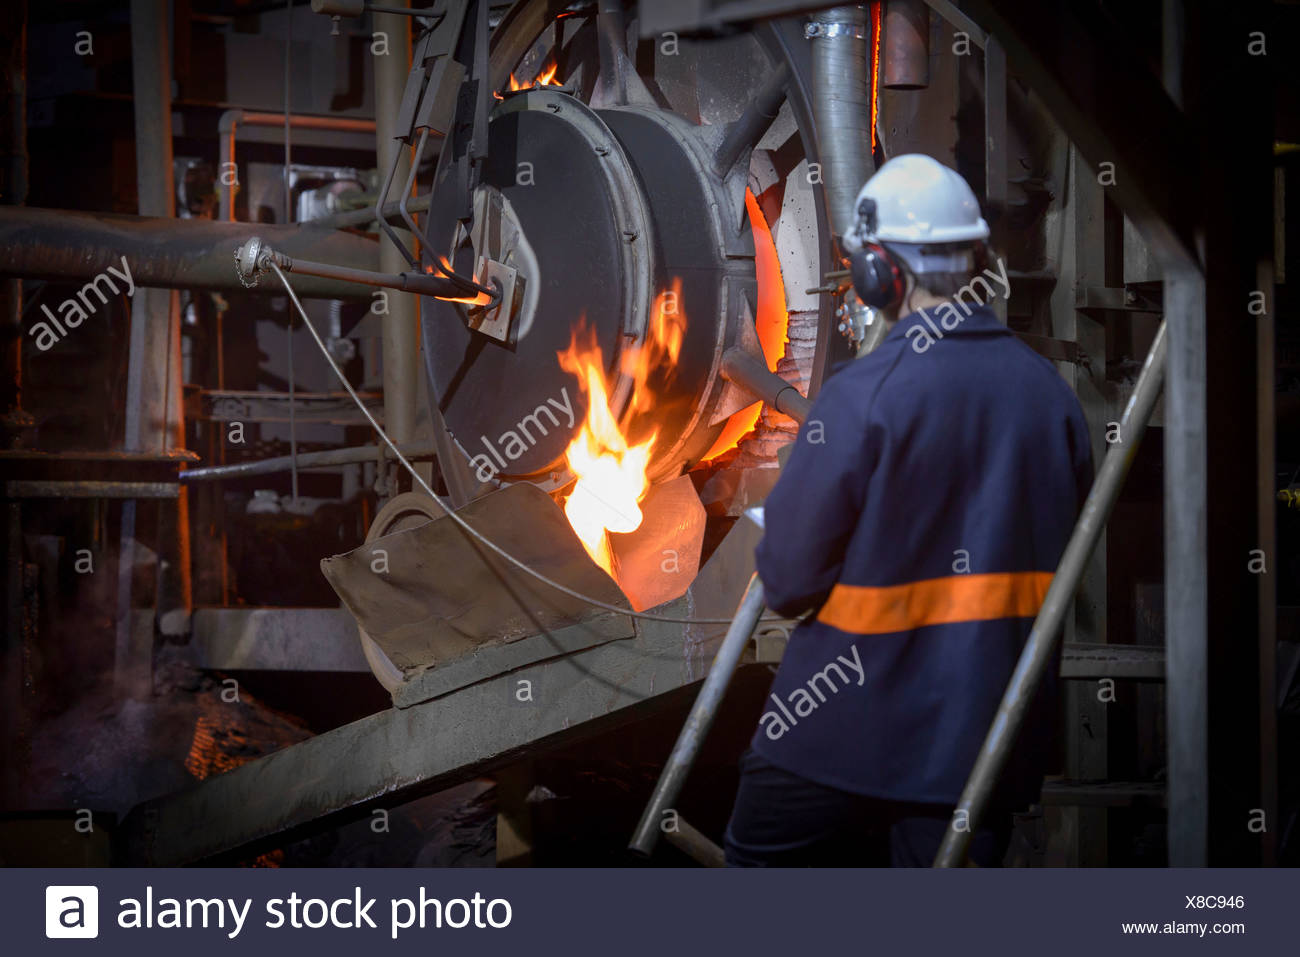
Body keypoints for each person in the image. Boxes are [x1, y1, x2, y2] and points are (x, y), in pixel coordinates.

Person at [723, 154, 1093, 867]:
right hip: (982, 746)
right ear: (978, 258)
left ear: (877, 271)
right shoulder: (1052, 399)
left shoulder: (864, 396)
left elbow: (791, 579)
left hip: (840, 734)